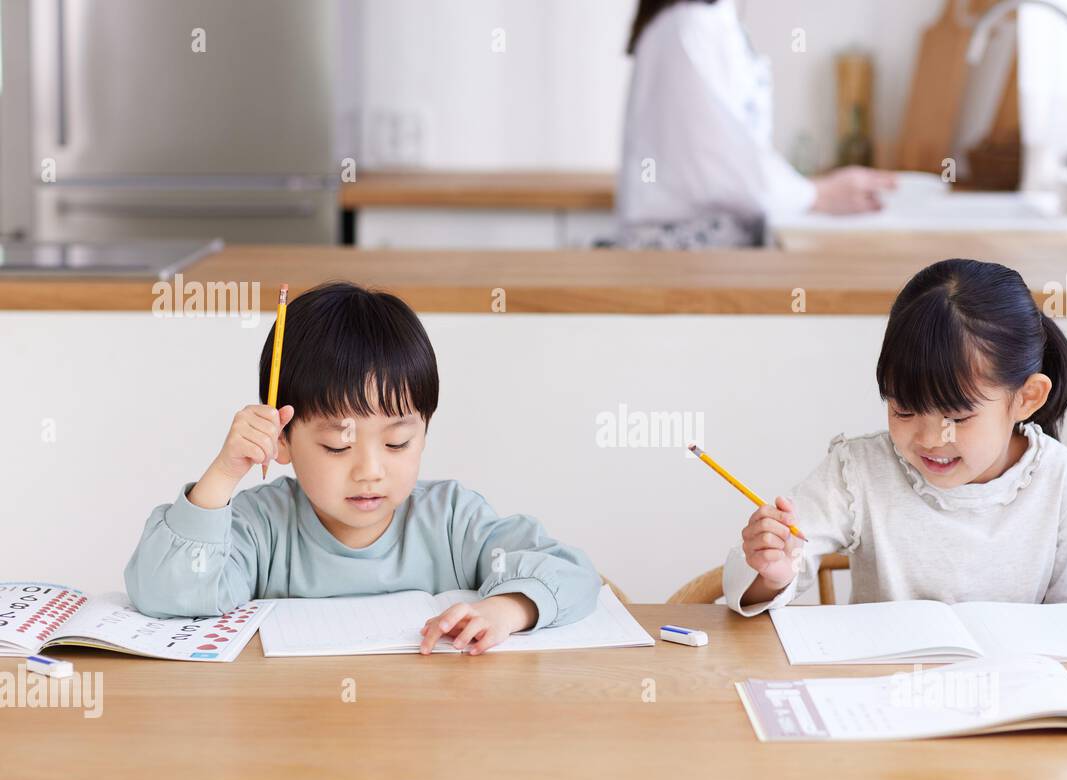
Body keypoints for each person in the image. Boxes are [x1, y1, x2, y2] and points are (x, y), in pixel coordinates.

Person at [124, 282, 602, 655]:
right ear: (284, 438)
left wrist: (507, 608)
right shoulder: (262, 526)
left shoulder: (453, 520)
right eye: (337, 445)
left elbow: (570, 572)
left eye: (397, 442)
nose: (370, 470)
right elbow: (168, 594)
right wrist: (225, 474)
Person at [724, 258, 1067, 614]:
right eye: (903, 410)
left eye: (957, 417)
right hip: (882, 684)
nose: (928, 439)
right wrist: (773, 572)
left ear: (1026, 399)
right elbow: (757, 584)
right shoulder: (858, 472)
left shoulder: (1065, 483)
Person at [617, 0, 896, 248]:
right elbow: (723, 163)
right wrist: (816, 195)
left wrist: (810, 191)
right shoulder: (692, 23)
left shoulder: (703, 18)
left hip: (696, 245)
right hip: (686, 254)